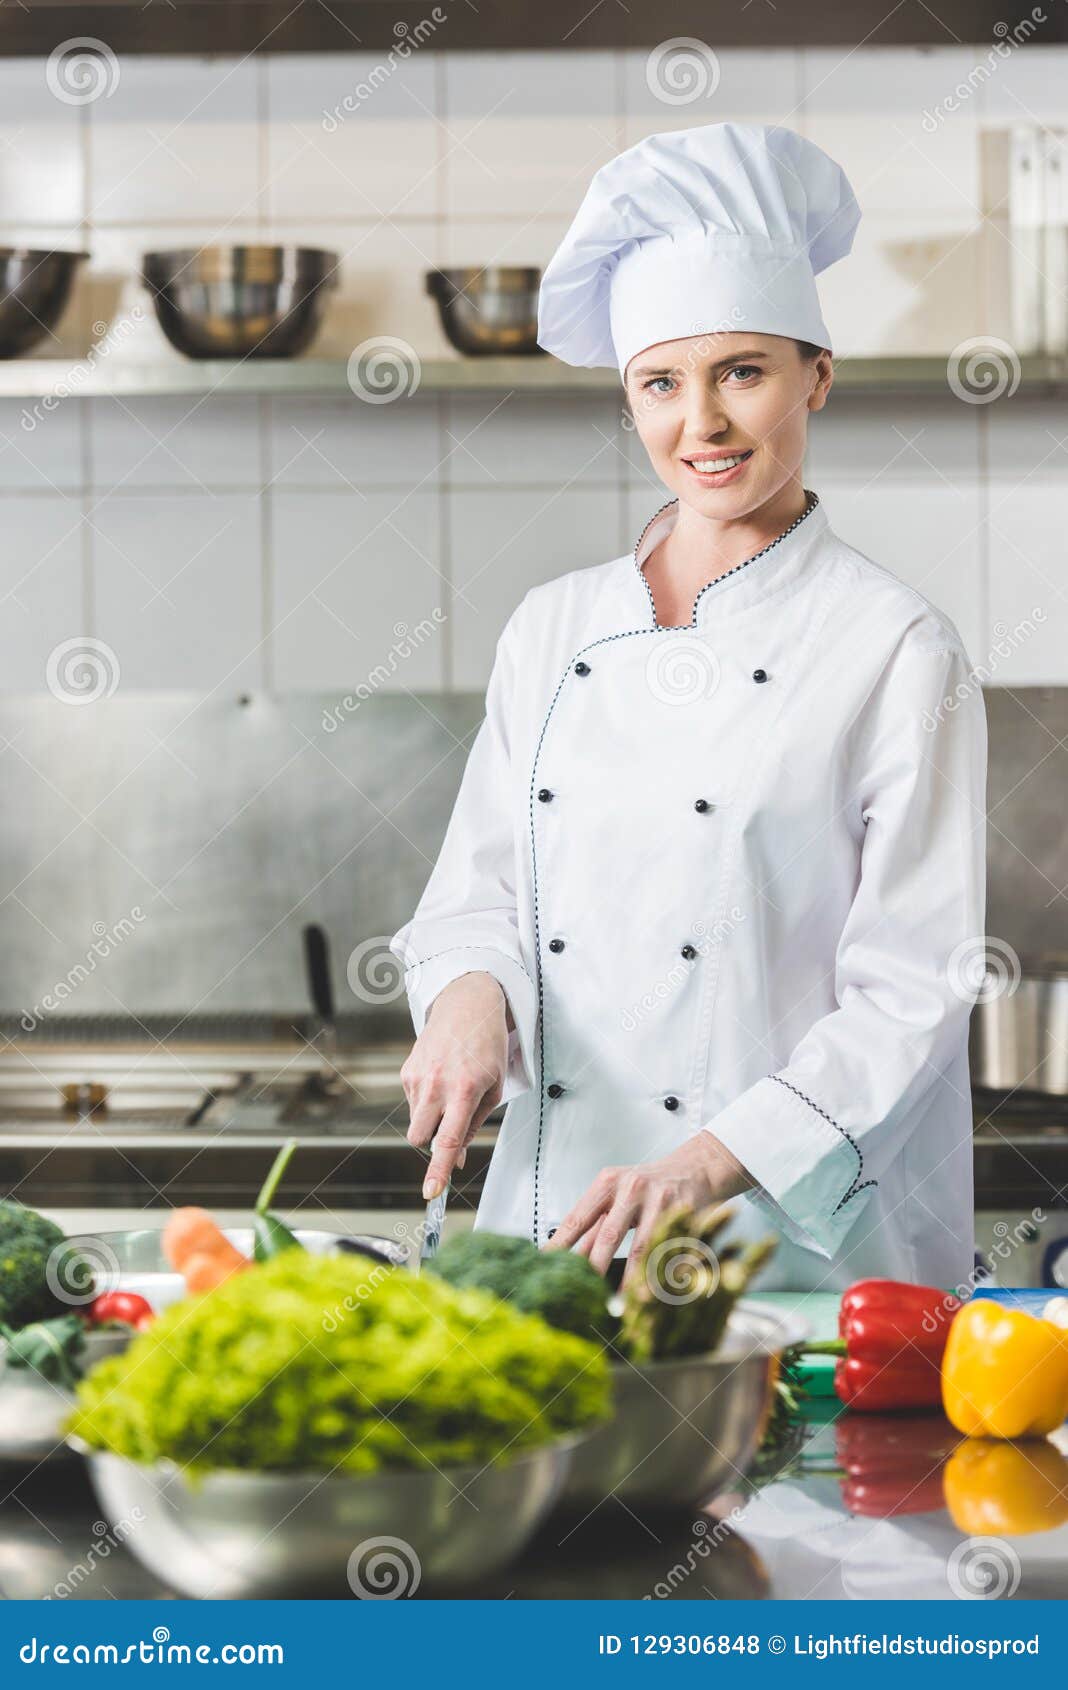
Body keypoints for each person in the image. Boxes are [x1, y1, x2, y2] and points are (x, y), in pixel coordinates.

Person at [389, 121, 988, 1292]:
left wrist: (710, 1160)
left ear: (817, 374)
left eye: (742, 374)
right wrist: (465, 995)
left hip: (787, 1253)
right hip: (552, 1235)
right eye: (661, 383)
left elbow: (914, 989)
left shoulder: (894, 646)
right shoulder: (554, 627)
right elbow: (476, 892)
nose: (701, 425)